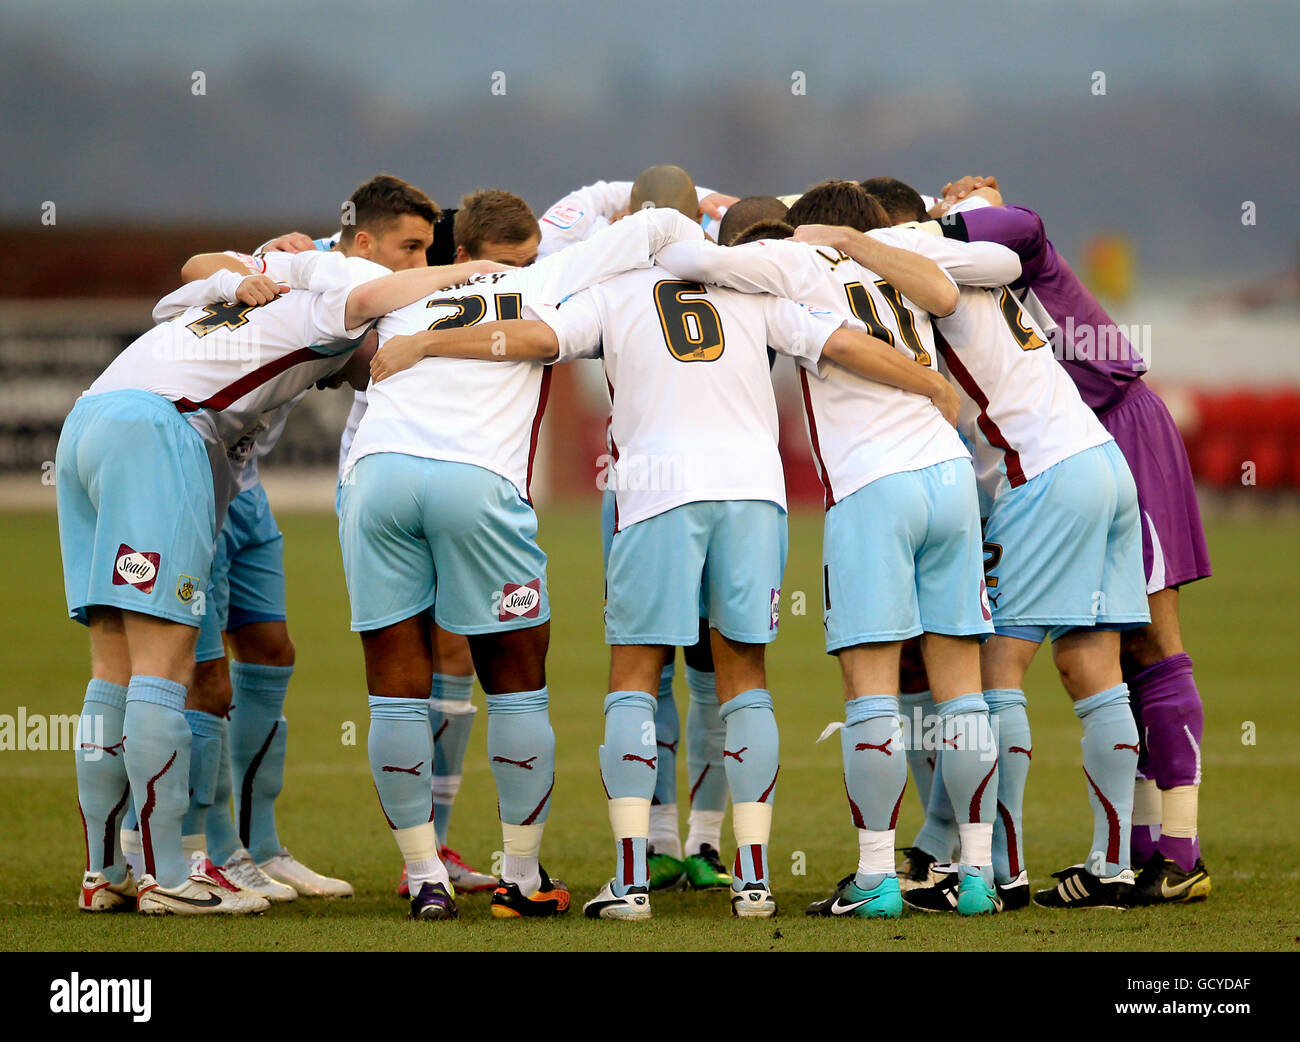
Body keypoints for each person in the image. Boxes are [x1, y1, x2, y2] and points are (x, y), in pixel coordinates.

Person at [338, 205, 704, 920]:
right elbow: (661, 220)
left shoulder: (406, 288)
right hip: (475, 482)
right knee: (515, 678)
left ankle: (423, 878)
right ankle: (524, 876)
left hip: (374, 476)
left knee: (392, 682)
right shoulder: (549, 277)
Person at [929, 175, 1211, 904]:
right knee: (1098, 651)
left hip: (1117, 426)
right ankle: (1141, 845)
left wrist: (935, 221)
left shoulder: (1016, 240)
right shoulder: (966, 281)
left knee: (1151, 638)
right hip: (1077, 450)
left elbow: (1023, 218)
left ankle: (1179, 850)